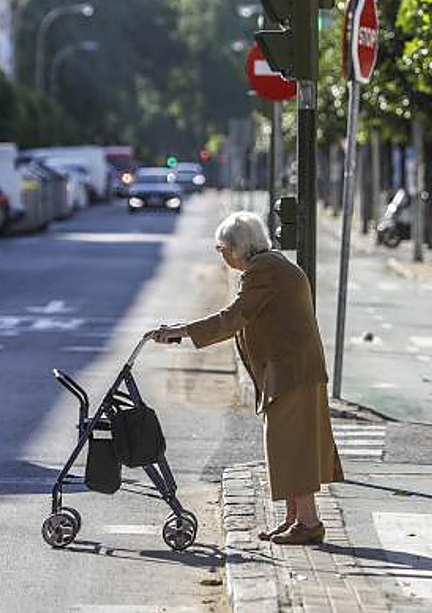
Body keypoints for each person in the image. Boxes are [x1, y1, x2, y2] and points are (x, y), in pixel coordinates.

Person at [147, 211, 343, 546]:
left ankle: (309, 522)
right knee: (285, 446)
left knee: (292, 446)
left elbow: (233, 319)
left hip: (290, 373)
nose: (220, 253)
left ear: (239, 247)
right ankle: (295, 518)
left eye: (221, 247)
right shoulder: (272, 266)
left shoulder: (264, 271)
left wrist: (180, 331)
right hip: (290, 371)